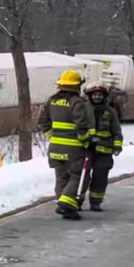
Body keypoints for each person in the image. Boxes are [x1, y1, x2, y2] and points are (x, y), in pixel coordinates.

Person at [35, 69, 93, 220]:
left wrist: (52, 136)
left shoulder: (51, 101)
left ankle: (64, 205)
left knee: (61, 177)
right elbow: (81, 126)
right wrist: (86, 141)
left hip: (55, 148)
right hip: (73, 148)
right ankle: (66, 204)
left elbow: (42, 122)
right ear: (76, 86)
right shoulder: (77, 103)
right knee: (78, 175)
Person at [83, 82, 123, 211]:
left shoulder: (110, 112)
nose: (97, 97)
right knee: (82, 176)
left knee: (100, 176)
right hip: (86, 149)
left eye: (100, 95)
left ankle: (96, 202)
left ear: (104, 96)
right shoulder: (83, 109)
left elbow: (116, 131)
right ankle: (76, 201)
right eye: (94, 94)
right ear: (90, 96)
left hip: (104, 151)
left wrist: (117, 146)